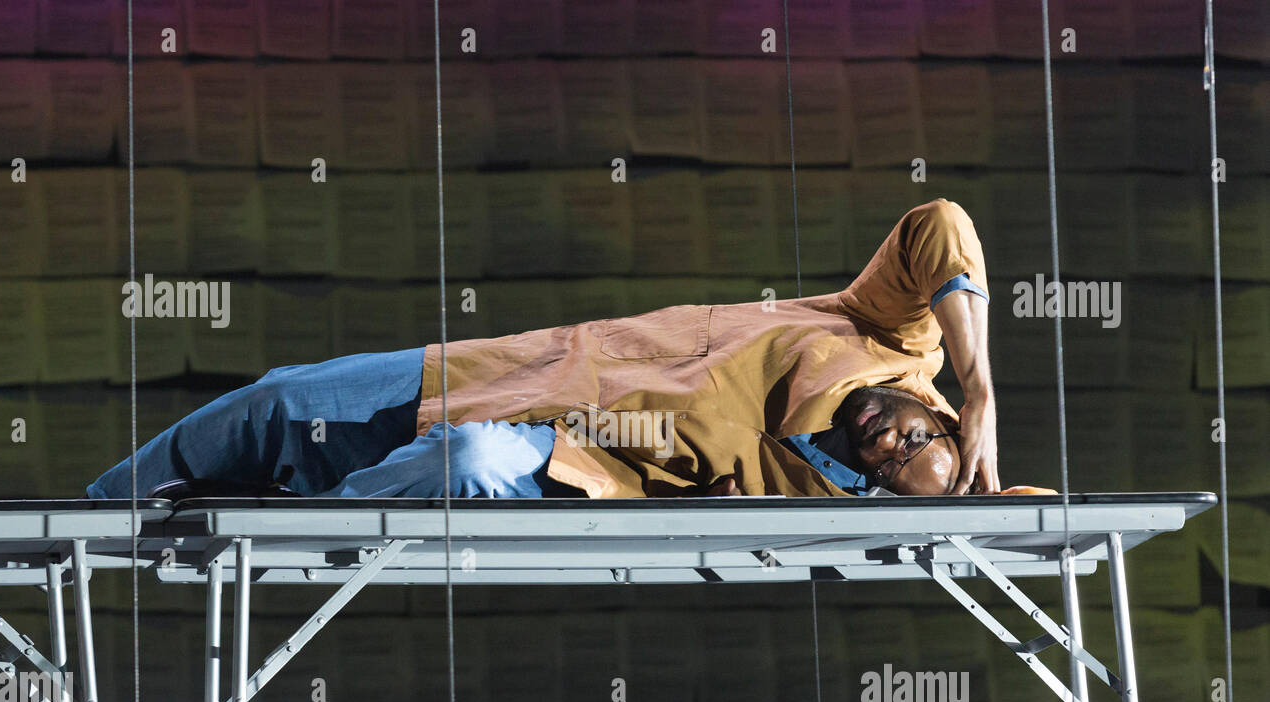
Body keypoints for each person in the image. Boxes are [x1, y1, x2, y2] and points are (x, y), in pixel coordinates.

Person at [87, 198, 1014, 501]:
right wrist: (979, 384)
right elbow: (940, 223)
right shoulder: (887, 336)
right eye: (914, 440)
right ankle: (98, 519)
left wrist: (987, 505)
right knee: (278, 401)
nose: (888, 447)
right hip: (514, 369)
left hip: (571, 451)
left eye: (889, 467)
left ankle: (282, 526)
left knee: (464, 459)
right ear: (933, 412)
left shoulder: (823, 496)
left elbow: (1027, 521)